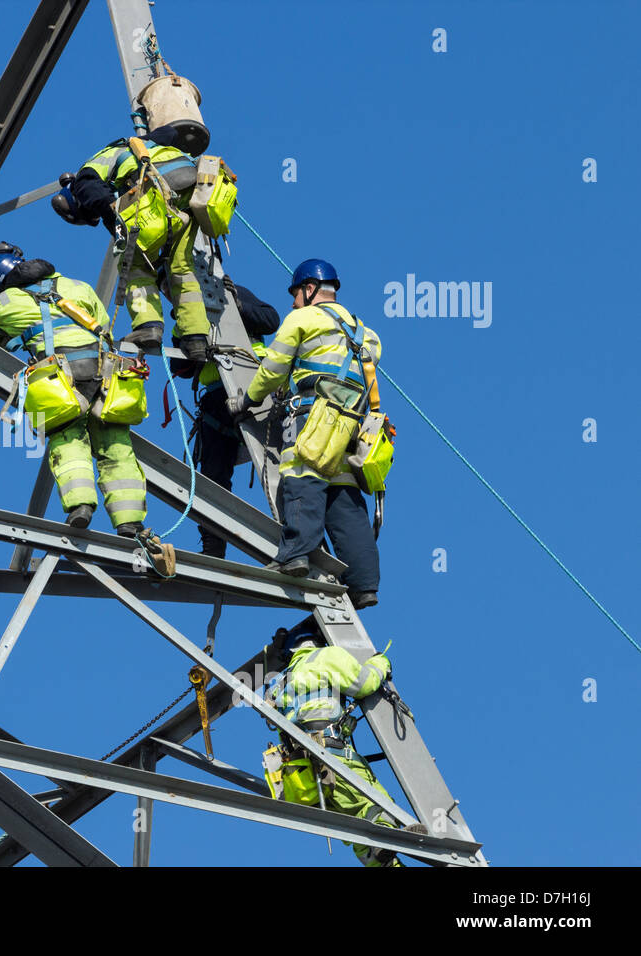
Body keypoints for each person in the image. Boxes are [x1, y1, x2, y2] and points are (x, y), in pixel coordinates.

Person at [227, 259, 382, 608]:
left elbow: (274, 368)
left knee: (301, 476)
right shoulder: (365, 333)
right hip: (351, 426)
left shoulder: (302, 320)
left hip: (315, 415)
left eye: (296, 295)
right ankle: (363, 584)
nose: (293, 302)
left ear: (309, 289)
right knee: (345, 499)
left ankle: (296, 555)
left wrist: (248, 399)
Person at [0, 242, 153, 540]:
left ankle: (80, 506)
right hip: (104, 370)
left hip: (60, 376)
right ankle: (129, 522)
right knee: (116, 447)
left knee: (69, 442)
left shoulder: (4, 302)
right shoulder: (76, 285)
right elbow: (104, 325)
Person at [264, 621, 420, 867]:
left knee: (357, 824)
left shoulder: (278, 683)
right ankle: (382, 844)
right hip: (333, 756)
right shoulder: (325, 657)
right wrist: (381, 664)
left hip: (302, 773)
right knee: (379, 806)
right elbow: (363, 684)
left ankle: (381, 860)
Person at [59, 126, 211, 369]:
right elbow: (170, 133)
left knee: (134, 267)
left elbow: (99, 199)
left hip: (159, 193)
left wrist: (119, 228)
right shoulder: (134, 144)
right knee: (181, 268)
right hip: (192, 187)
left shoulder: (85, 175)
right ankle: (196, 338)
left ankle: (148, 327)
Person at [169, 274, 280, 557]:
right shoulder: (188, 311)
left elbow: (271, 320)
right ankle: (213, 543)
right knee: (214, 477)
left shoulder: (234, 293)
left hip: (256, 389)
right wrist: (183, 332)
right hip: (220, 399)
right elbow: (180, 369)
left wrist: (238, 304)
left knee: (281, 470)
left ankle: (298, 541)